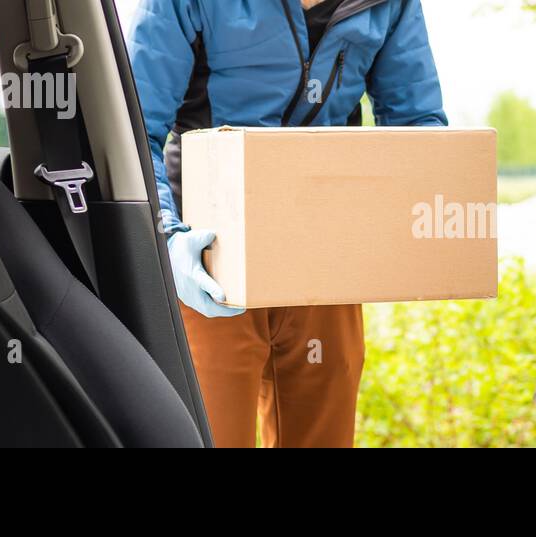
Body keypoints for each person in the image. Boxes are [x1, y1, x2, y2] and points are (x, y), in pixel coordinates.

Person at [128, 0, 446, 447]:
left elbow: (417, 129)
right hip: (207, 257)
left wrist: (409, 231)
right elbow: (134, 129)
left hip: (324, 258)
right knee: (208, 435)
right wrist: (166, 237)